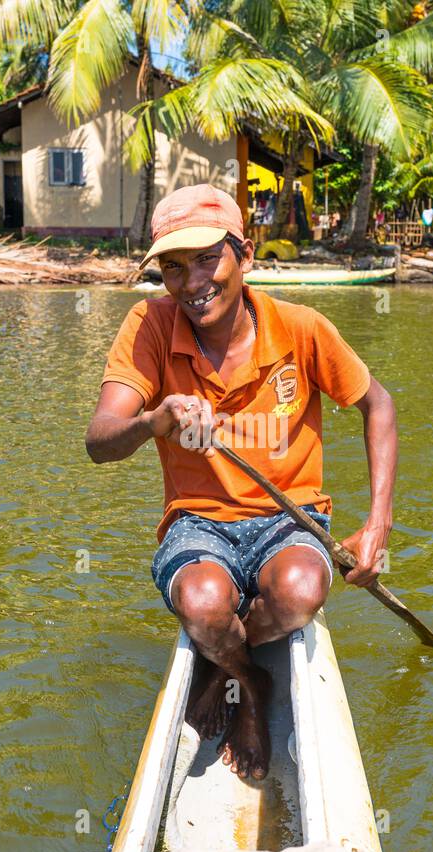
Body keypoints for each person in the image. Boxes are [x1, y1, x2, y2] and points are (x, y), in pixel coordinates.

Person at [85, 185, 398, 781]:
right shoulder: (149, 327)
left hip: (290, 519)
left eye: (208, 259)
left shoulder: (300, 329)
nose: (192, 281)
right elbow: (100, 439)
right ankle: (250, 682)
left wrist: (376, 527)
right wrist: (155, 422)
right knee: (203, 605)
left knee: (302, 589)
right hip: (198, 522)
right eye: (173, 268)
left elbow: (378, 407)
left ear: (244, 257)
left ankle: (226, 655)